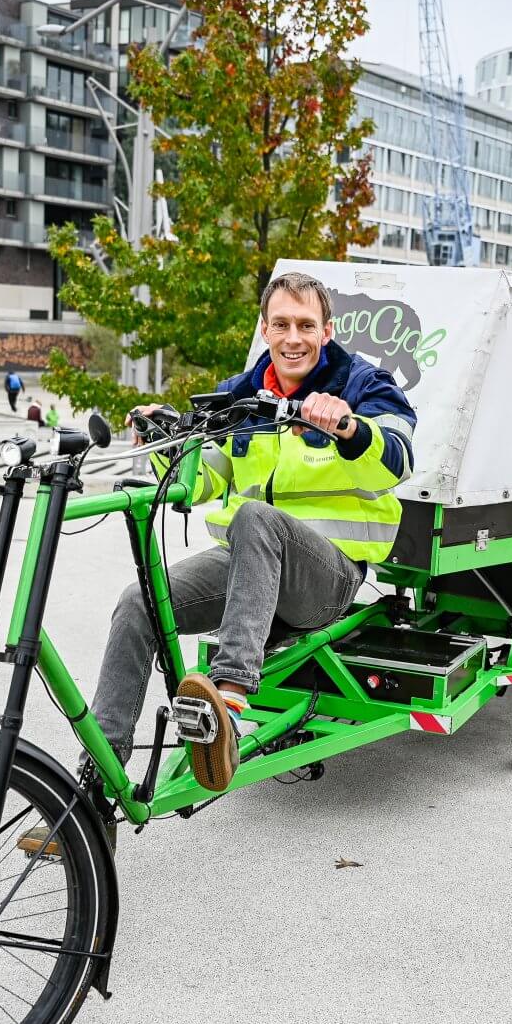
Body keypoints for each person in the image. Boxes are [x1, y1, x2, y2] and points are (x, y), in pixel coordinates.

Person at [89, 271, 416, 793]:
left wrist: (349, 427)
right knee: (137, 602)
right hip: (250, 570)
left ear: (326, 331)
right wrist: (168, 441)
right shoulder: (238, 397)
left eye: (305, 325)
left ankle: (231, 703)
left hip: (327, 578)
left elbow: (398, 461)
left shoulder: (361, 384)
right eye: (281, 324)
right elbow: (200, 482)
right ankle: (96, 786)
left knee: (254, 519)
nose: (293, 338)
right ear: (264, 329)